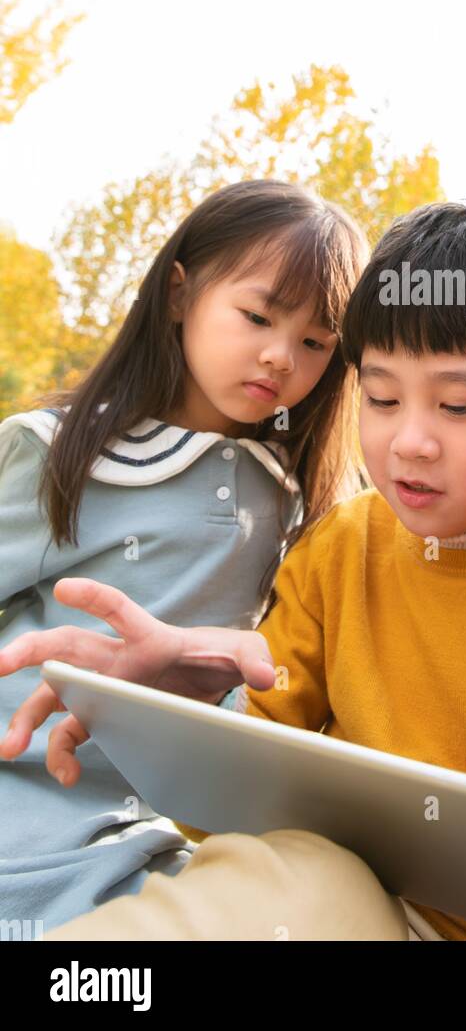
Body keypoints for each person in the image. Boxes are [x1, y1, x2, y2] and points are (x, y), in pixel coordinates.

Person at [3, 200, 466, 941]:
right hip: (334, 913)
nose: (409, 442)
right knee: (305, 877)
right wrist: (166, 713)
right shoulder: (339, 550)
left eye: (457, 405)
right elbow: (228, 804)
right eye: (380, 398)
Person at [0, 179, 367, 931]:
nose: (278, 357)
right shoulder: (58, 452)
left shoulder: (296, 502)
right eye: (257, 316)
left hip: (163, 818)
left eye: (315, 342)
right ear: (179, 293)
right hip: (25, 789)